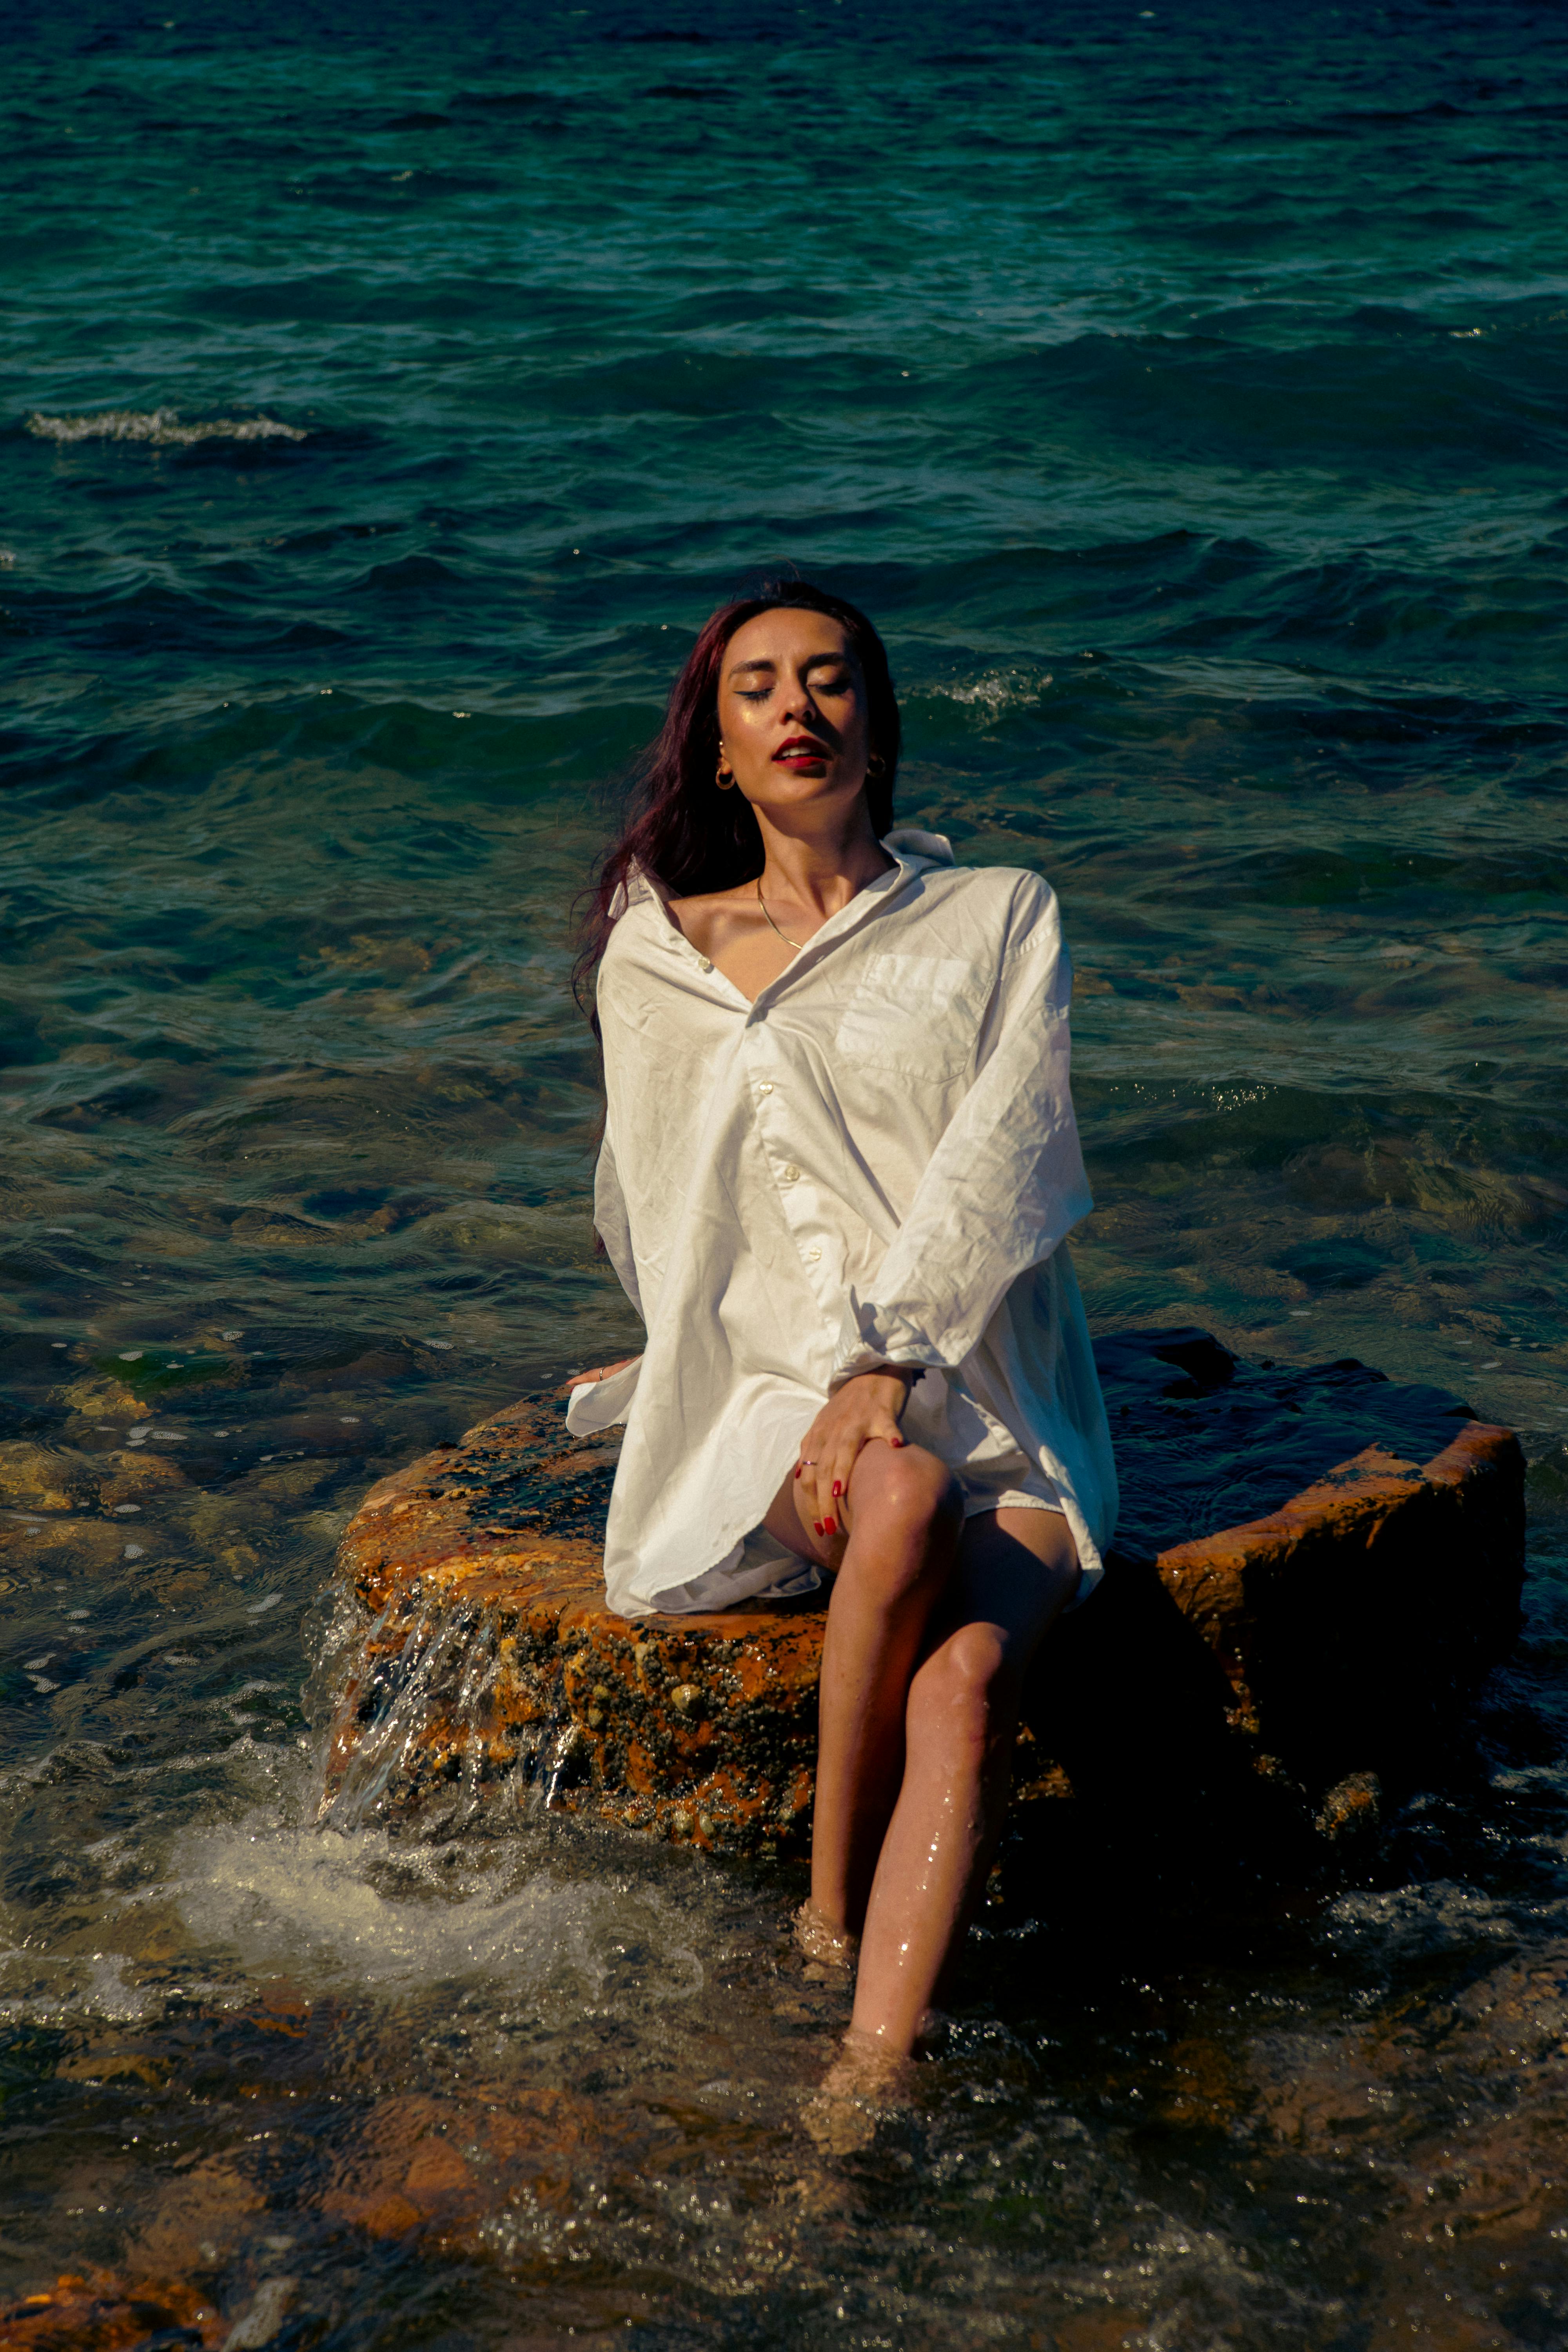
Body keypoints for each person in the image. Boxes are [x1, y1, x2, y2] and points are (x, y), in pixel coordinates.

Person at [565, 581, 1116, 2119]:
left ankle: (863, 2083)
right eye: (757, 688)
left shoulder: (997, 916)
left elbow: (1005, 1164)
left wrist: (887, 1364)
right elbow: (660, 1199)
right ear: (718, 749)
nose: (797, 707)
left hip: (989, 1394)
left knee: (967, 1688)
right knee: (884, 1497)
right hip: (770, 1419)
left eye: (830, 680)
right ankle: (822, 1907)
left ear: (878, 723)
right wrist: (666, 1374)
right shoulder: (654, 955)